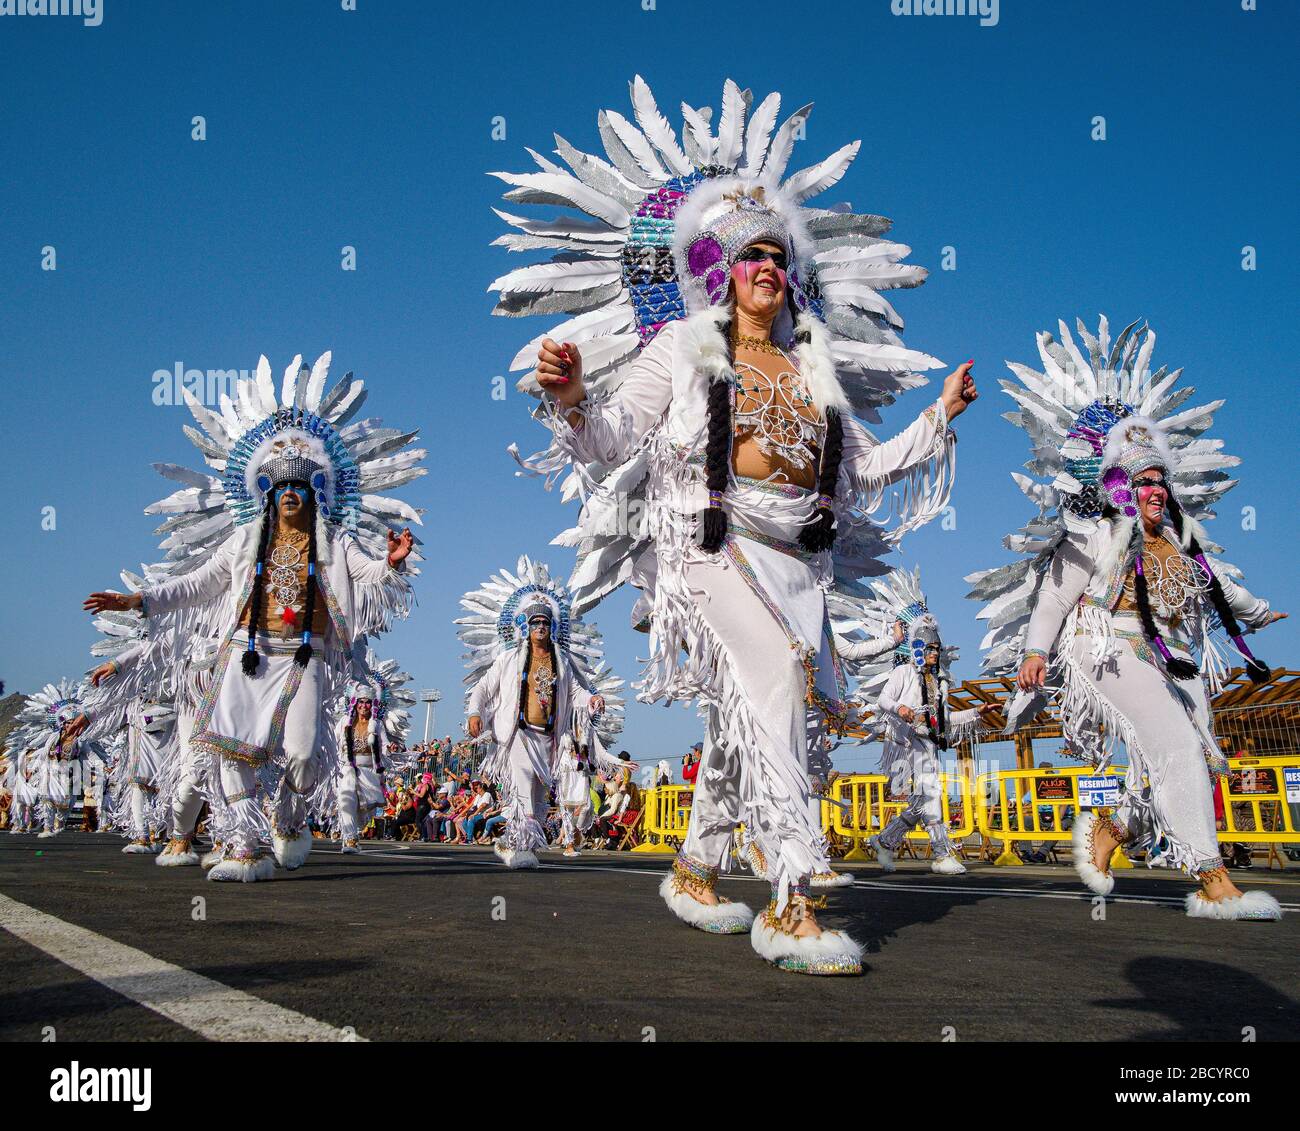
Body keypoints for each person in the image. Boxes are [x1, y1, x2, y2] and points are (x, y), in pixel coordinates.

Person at [505, 79, 978, 973]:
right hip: (709, 550)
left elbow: (864, 470)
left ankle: (693, 867)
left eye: (777, 256)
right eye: (749, 254)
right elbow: (609, 440)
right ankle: (793, 895)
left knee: (745, 722)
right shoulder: (680, 347)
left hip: (800, 563)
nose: (765, 267)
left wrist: (941, 415)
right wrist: (568, 396)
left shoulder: (815, 369)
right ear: (720, 270)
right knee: (777, 693)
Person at [972, 317, 1285, 921]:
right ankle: (1212, 879)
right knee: (1172, 745)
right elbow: (1055, 600)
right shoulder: (1090, 534)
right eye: (1143, 481)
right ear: (1116, 484)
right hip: (1107, 649)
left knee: (1197, 751)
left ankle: (1112, 831)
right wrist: (1035, 654)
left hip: (1171, 651)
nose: (1156, 490)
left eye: (1161, 479)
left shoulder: (1180, 536)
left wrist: (1257, 612)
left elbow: (1216, 586)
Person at [83, 353, 423, 882]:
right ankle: (245, 846)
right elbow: (196, 584)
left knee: (304, 755)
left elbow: (371, 576)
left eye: (300, 487)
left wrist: (392, 564)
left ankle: (288, 821)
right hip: (247, 653)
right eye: (281, 487)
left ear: (315, 494)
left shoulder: (334, 541)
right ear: (267, 496)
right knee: (229, 749)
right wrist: (138, 601)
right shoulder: (243, 542)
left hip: (302, 657)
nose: (290, 493)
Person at [460, 556, 623, 869]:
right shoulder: (509, 660)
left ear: (552, 627)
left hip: (549, 738)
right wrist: (474, 713)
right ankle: (521, 848)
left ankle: (512, 842)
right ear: (525, 626)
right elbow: (482, 687)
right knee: (521, 787)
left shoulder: (561, 662)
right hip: (518, 733)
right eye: (535, 622)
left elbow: (576, 692)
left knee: (536, 795)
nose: (540, 627)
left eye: (545, 623)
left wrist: (592, 701)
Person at [863, 571, 997, 875]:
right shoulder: (903, 674)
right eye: (930, 648)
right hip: (904, 743)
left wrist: (977, 712)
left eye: (937, 648)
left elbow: (944, 721)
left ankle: (885, 840)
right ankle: (941, 854)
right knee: (930, 793)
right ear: (918, 649)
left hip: (927, 744)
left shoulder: (940, 683)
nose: (935, 653)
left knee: (921, 800)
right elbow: (884, 700)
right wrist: (903, 710)